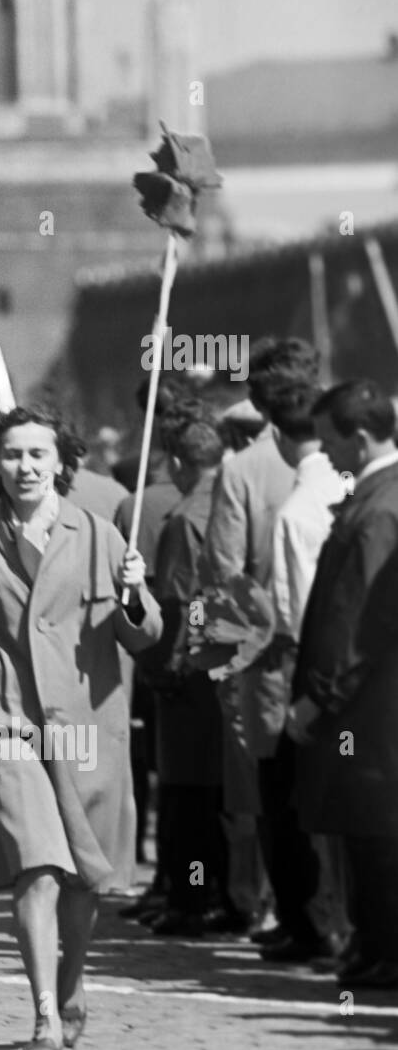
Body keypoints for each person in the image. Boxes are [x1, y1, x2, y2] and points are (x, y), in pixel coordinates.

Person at [0, 404, 160, 1050]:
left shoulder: (101, 536)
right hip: (6, 724)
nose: (25, 466)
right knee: (37, 864)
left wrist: (136, 595)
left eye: (38, 454)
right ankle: (44, 1016)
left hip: (86, 726)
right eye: (12, 454)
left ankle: (72, 979)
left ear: (61, 462)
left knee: (85, 876)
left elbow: (144, 636)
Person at [199, 339, 318, 935]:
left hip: (270, 658)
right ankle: (337, 917)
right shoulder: (345, 457)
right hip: (342, 663)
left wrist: (227, 666)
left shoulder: (242, 470)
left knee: (272, 790)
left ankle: (285, 910)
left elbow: (225, 574)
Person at [289, 380, 398, 990]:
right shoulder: (374, 495)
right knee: (360, 824)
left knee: (376, 825)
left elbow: (358, 621)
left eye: (330, 440)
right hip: (361, 700)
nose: (324, 453)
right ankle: (371, 941)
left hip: (368, 706)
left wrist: (318, 697)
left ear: (360, 437)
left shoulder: (382, 506)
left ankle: (386, 947)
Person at [258, 371, 349, 964]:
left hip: (312, 670)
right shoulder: (347, 488)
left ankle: (318, 923)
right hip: (352, 675)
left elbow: (293, 612)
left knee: (297, 803)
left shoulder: (295, 509)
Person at [139, 403, 231, 937]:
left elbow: (180, 602)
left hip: (192, 671)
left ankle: (191, 896)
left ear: (176, 463)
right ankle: (213, 891)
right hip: (230, 663)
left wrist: (168, 663)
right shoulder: (234, 504)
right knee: (217, 794)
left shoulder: (185, 520)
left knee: (186, 793)